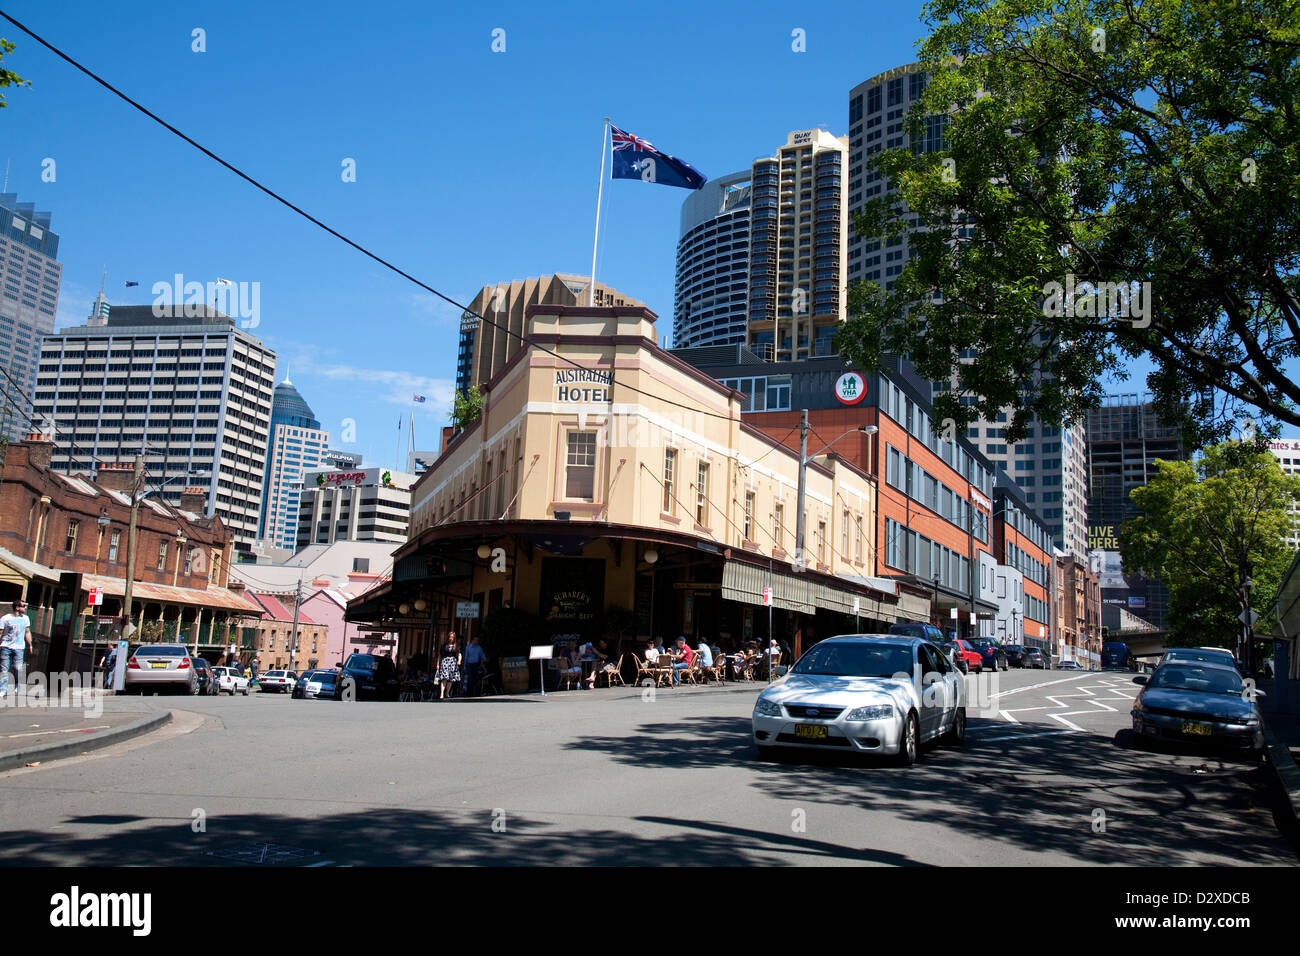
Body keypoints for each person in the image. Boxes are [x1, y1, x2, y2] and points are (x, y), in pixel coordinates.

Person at [0, 599, 32, 699]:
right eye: (23, 606)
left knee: (18, 668)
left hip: (19, 648)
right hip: (5, 646)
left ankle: (17, 687)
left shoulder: (26, 618)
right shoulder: (5, 618)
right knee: (4, 669)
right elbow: (0, 632)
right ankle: (2, 690)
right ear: (17, 608)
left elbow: (27, 632)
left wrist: (30, 644)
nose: (25, 608)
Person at [437, 632, 462, 699]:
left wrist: (459, 661)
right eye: (450, 637)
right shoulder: (444, 646)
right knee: (444, 678)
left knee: (451, 679)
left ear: (454, 638)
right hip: (445, 662)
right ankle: (442, 693)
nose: (451, 638)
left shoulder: (456, 646)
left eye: (452, 637)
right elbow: (440, 655)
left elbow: (459, 654)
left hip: (452, 663)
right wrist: (438, 664)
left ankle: (447, 692)